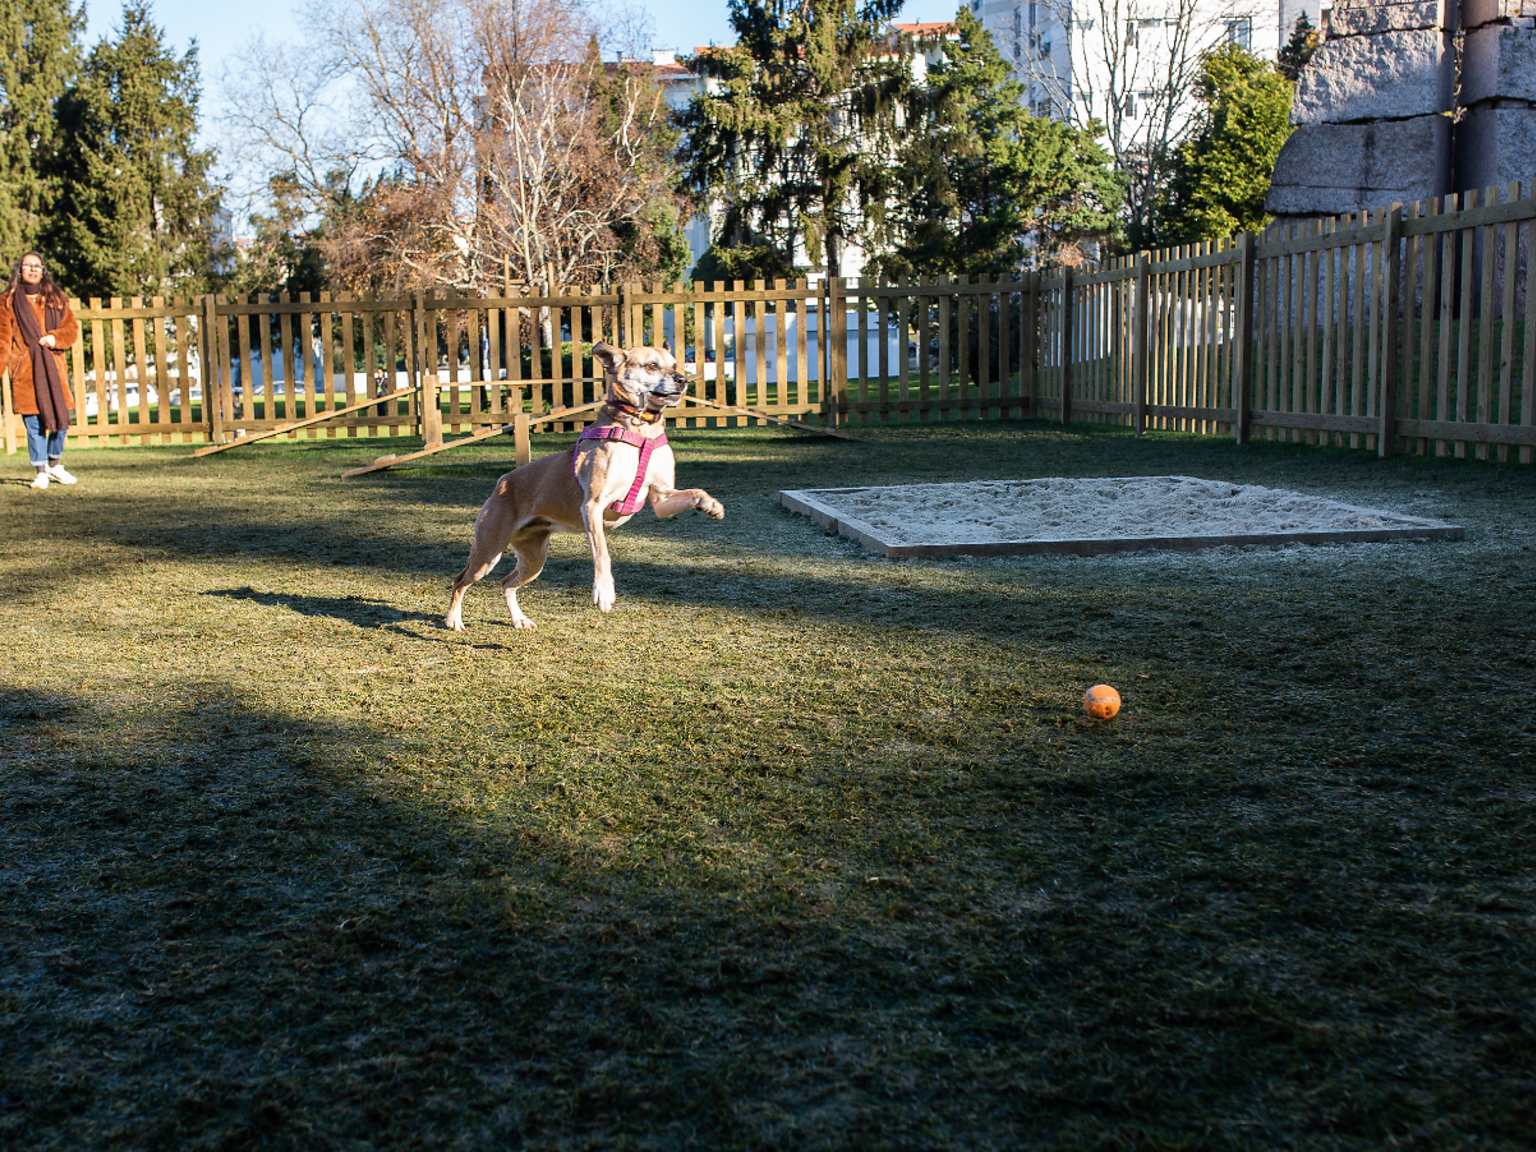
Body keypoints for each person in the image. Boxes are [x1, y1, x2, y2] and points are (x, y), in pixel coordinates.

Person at [0, 253, 79, 489]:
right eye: (28, 266)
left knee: (61, 421)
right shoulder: (7, 302)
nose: (32, 270)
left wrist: (55, 338)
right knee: (33, 424)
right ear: (19, 270)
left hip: (54, 370)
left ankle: (55, 465)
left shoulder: (56, 298)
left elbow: (71, 329)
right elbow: (2, 339)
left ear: (43, 270)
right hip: (25, 371)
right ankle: (41, 471)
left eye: (37, 266)